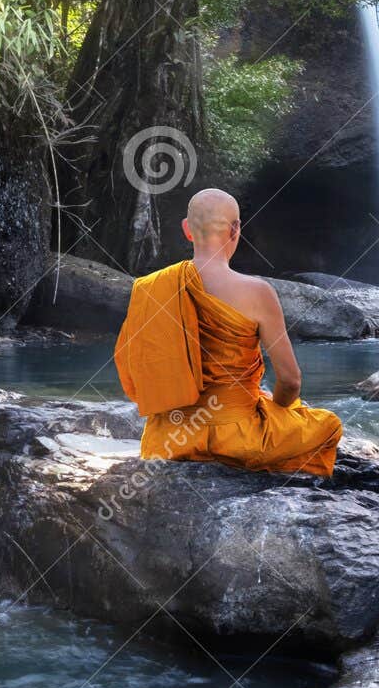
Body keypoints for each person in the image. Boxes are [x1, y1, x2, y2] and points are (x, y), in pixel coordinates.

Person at [113, 188, 342, 476]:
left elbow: (134, 374)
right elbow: (290, 381)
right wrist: (278, 412)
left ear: (187, 229)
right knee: (329, 424)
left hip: (168, 441)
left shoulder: (149, 287)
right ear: (235, 230)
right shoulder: (258, 292)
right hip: (237, 440)